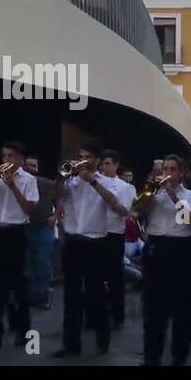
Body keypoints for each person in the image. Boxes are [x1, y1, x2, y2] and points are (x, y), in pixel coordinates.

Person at [52, 144, 128, 357]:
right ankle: (71, 345)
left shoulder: (106, 182)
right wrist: (60, 177)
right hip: (74, 243)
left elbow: (118, 207)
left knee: (96, 296)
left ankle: (103, 341)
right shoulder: (72, 182)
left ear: (96, 160)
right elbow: (59, 196)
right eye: (81, 157)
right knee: (71, 296)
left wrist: (93, 182)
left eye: (88, 157)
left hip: (96, 244)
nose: (83, 160)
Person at [134, 154, 191, 366]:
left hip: (183, 251)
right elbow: (136, 211)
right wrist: (149, 193)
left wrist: (173, 197)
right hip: (156, 248)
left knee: (183, 310)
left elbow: (190, 222)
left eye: (173, 169)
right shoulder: (153, 193)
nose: (168, 174)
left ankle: (178, 356)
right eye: (165, 169)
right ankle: (151, 358)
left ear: (181, 173)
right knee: (153, 310)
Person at [0, 141, 39, 350]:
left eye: (11, 156)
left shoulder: (29, 180)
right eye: (4, 156)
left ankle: (23, 332)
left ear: (20, 159)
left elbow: (29, 209)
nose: (6, 161)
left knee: (19, 287)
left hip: (16, 234)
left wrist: (12, 186)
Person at [98, 150, 136, 329]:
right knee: (95, 276)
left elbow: (124, 212)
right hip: (95, 232)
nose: (103, 167)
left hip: (114, 233)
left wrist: (109, 199)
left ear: (115, 165)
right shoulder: (93, 181)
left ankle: (117, 315)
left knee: (115, 276)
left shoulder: (126, 187)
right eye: (102, 163)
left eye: (107, 163)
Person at [23, 156, 56, 310]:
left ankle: (42, 297)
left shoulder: (48, 184)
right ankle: (30, 296)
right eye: (28, 165)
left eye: (34, 165)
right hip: (24, 227)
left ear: (38, 167)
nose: (31, 167)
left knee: (42, 263)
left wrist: (55, 217)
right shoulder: (18, 183)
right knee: (27, 264)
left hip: (43, 227)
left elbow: (62, 202)